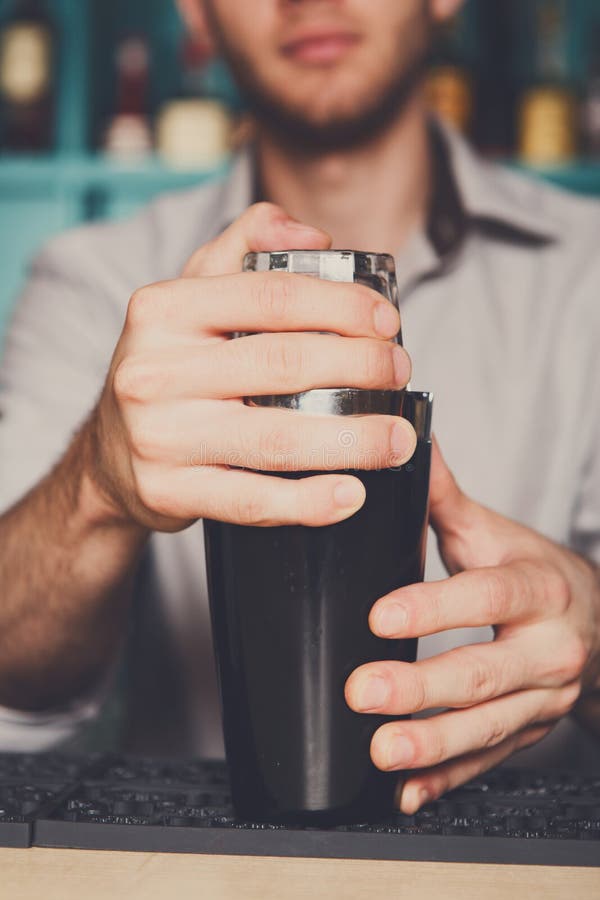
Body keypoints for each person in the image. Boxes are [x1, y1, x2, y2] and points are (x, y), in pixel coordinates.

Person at [0, 0, 599, 816]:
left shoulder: (589, 278)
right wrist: (96, 490)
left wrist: (591, 639)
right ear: (194, 11)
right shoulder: (97, 278)